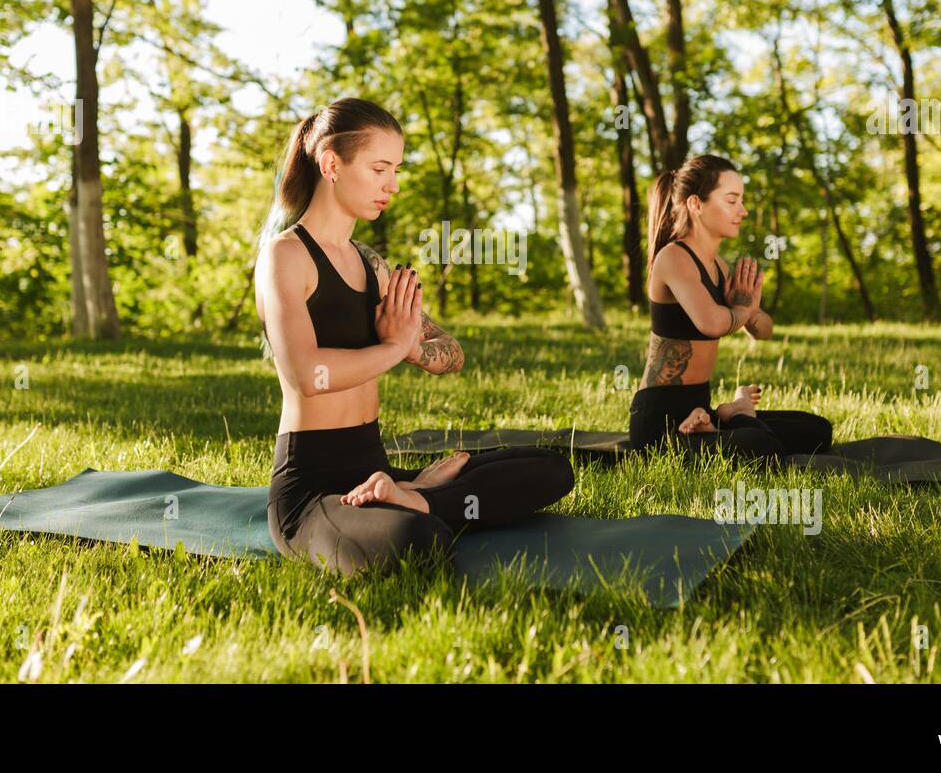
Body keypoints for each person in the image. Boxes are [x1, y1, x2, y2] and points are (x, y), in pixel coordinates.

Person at [254, 97, 575, 576]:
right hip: (314, 489)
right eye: (380, 168)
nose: (393, 185)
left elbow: (453, 353)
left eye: (396, 169)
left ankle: (414, 496)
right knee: (419, 543)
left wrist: (417, 350)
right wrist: (394, 348)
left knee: (551, 468)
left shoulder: (371, 264)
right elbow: (308, 376)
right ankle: (421, 506)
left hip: (375, 466)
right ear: (330, 164)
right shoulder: (286, 256)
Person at [628, 153, 833, 466]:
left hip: (699, 410)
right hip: (660, 423)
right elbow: (711, 322)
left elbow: (763, 330)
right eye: (732, 200)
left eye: (742, 200)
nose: (743, 210)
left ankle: (726, 416)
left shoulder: (719, 267)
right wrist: (742, 310)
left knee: (816, 430)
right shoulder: (674, 258)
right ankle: (733, 415)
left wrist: (749, 309)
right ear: (696, 205)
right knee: (761, 447)